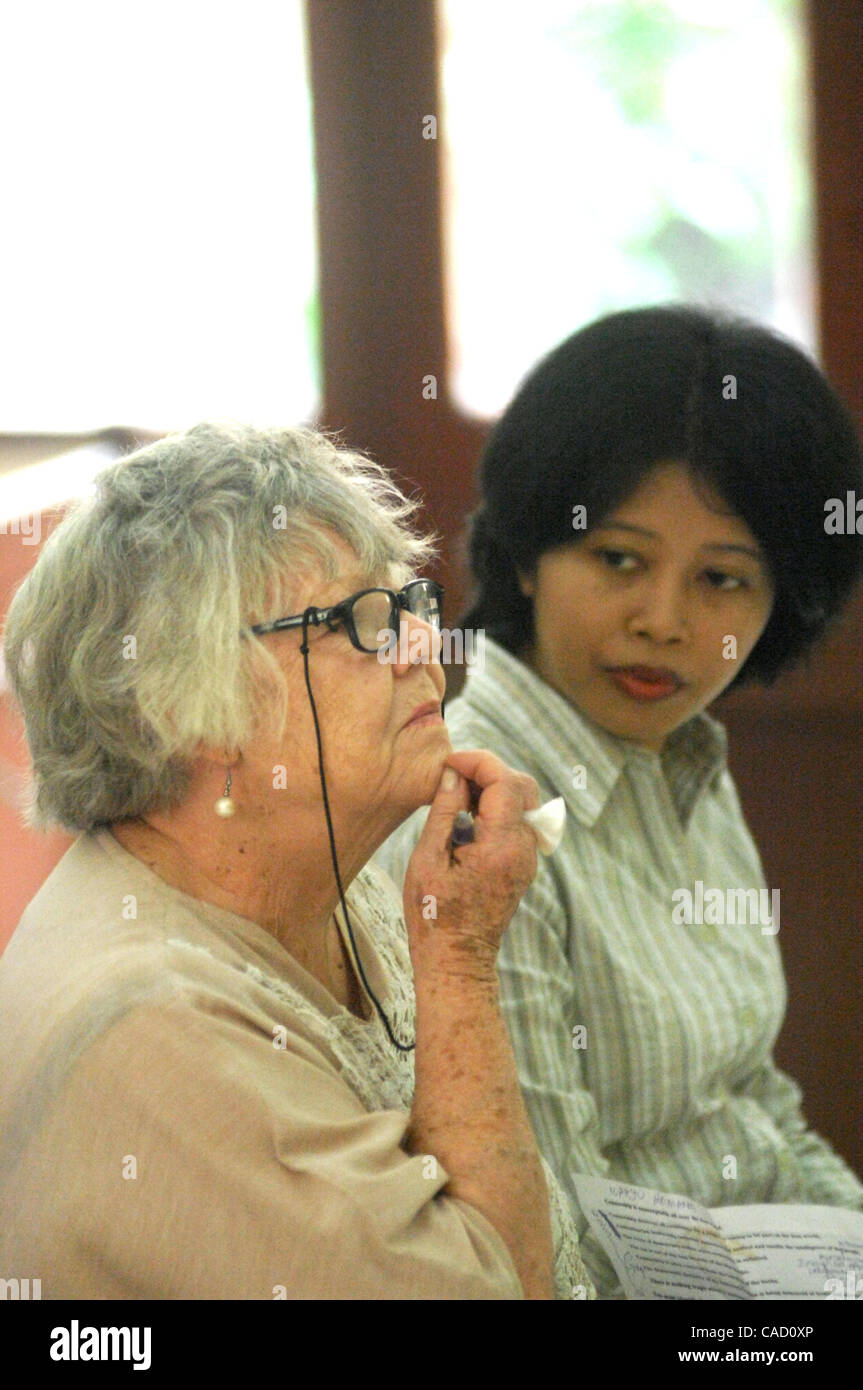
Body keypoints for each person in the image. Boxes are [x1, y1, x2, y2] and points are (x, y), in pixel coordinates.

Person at [0, 421, 594, 1300]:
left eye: (411, 605)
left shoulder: (325, 890)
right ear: (185, 704)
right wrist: (459, 958)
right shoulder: (154, 1030)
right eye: (363, 620)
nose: (424, 648)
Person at [377, 305, 863, 1298]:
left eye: (722, 578)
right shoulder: (474, 820)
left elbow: (755, 1104)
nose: (664, 622)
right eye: (618, 559)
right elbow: (551, 1241)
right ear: (524, 553)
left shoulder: (682, 757)